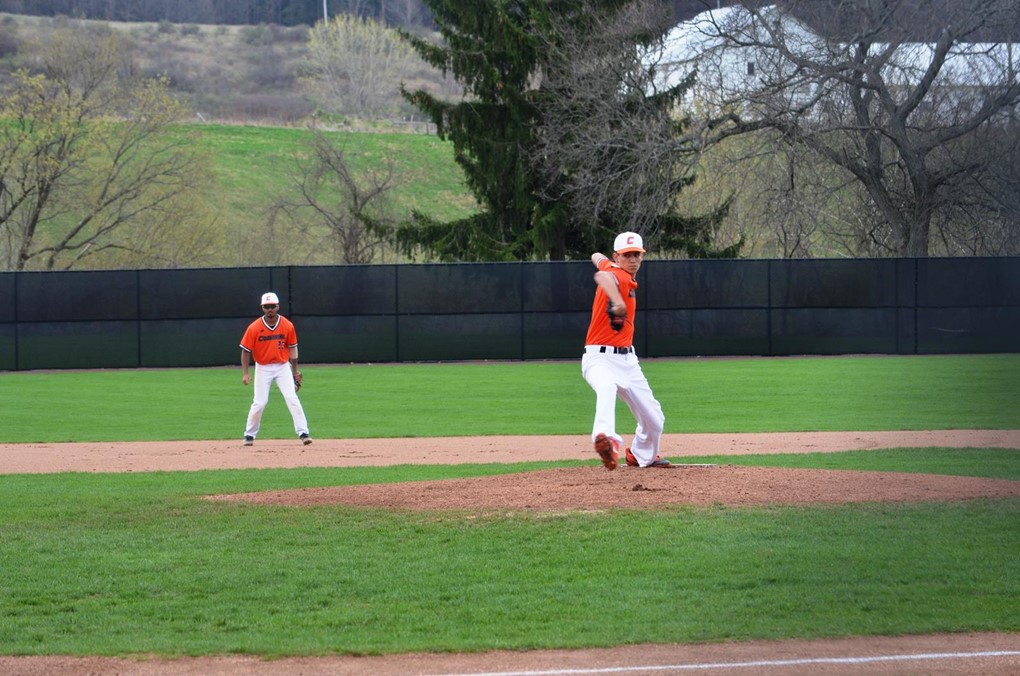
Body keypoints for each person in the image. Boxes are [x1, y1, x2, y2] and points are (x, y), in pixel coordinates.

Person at [582, 232, 670, 469]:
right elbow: (603, 277)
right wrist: (617, 301)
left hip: (628, 362)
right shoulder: (617, 275)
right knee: (606, 388)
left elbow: (596, 258)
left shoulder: (613, 266)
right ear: (618, 257)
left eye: (636, 255)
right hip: (599, 358)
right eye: (627, 255)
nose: (632, 260)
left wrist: (602, 258)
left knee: (655, 421)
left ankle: (640, 455)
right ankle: (606, 440)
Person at [240, 292, 312, 446]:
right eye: (267, 307)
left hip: (282, 366)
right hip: (263, 367)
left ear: (278, 306)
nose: (270, 309)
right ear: (262, 308)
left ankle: (303, 433)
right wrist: (245, 373)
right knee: (260, 402)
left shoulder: (287, 325)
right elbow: (245, 350)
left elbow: (293, 349)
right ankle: (249, 435)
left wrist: (295, 372)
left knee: (292, 398)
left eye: (272, 306)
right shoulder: (254, 328)